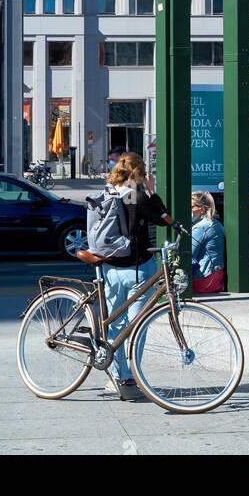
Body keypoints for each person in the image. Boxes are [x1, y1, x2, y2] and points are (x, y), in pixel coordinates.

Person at [76, 152, 175, 397]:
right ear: (139, 173)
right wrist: (152, 191)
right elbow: (164, 219)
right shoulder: (137, 195)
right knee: (136, 325)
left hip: (110, 267)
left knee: (116, 324)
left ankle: (119, 378)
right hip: (138, 269)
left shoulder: (109, 192)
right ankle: (131, 377)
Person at [190, 191, 226, 294]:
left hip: (203, 279)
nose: (189, 210)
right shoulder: (215, 223)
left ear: (201, 209)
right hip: (215, 278)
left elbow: (188, 254)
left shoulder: (201, 227)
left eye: (191, 207)